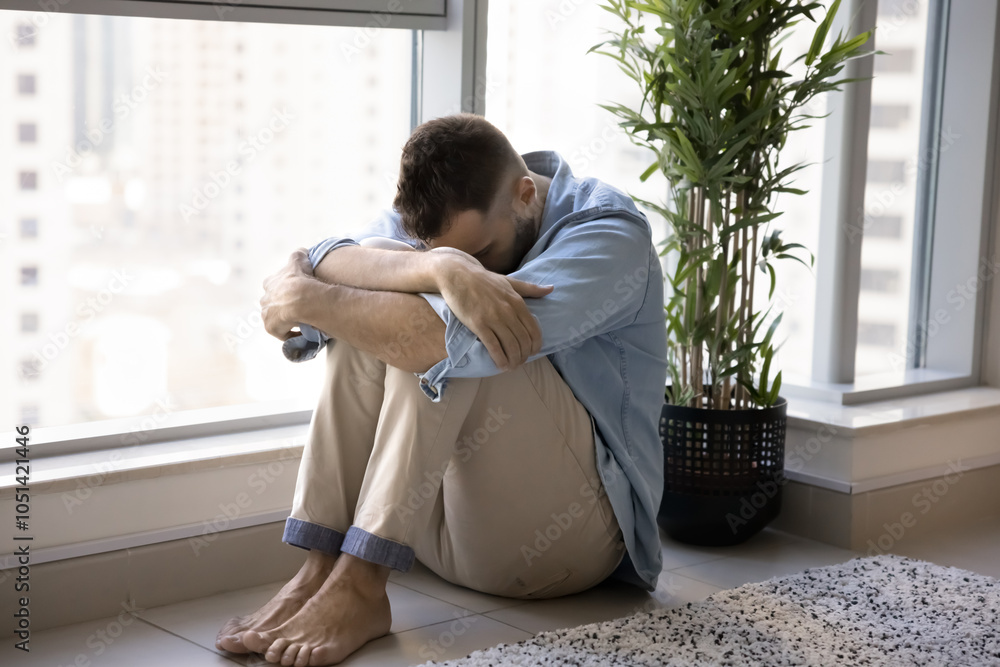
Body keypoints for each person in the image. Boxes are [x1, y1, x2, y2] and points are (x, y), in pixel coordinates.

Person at [215, 113, 668, 667]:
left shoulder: (608, 232)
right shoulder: (445, 214)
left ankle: (361, 585)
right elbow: (338, 258)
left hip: (565, 546)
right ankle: (322, 567)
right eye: (456, 254)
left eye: (479, 251)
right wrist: (441, 265)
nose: (471, 266)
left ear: (525, 196)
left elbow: (426, 333)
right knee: (385, 280)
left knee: (442, 331)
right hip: (434, 536)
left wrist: (309, 297)